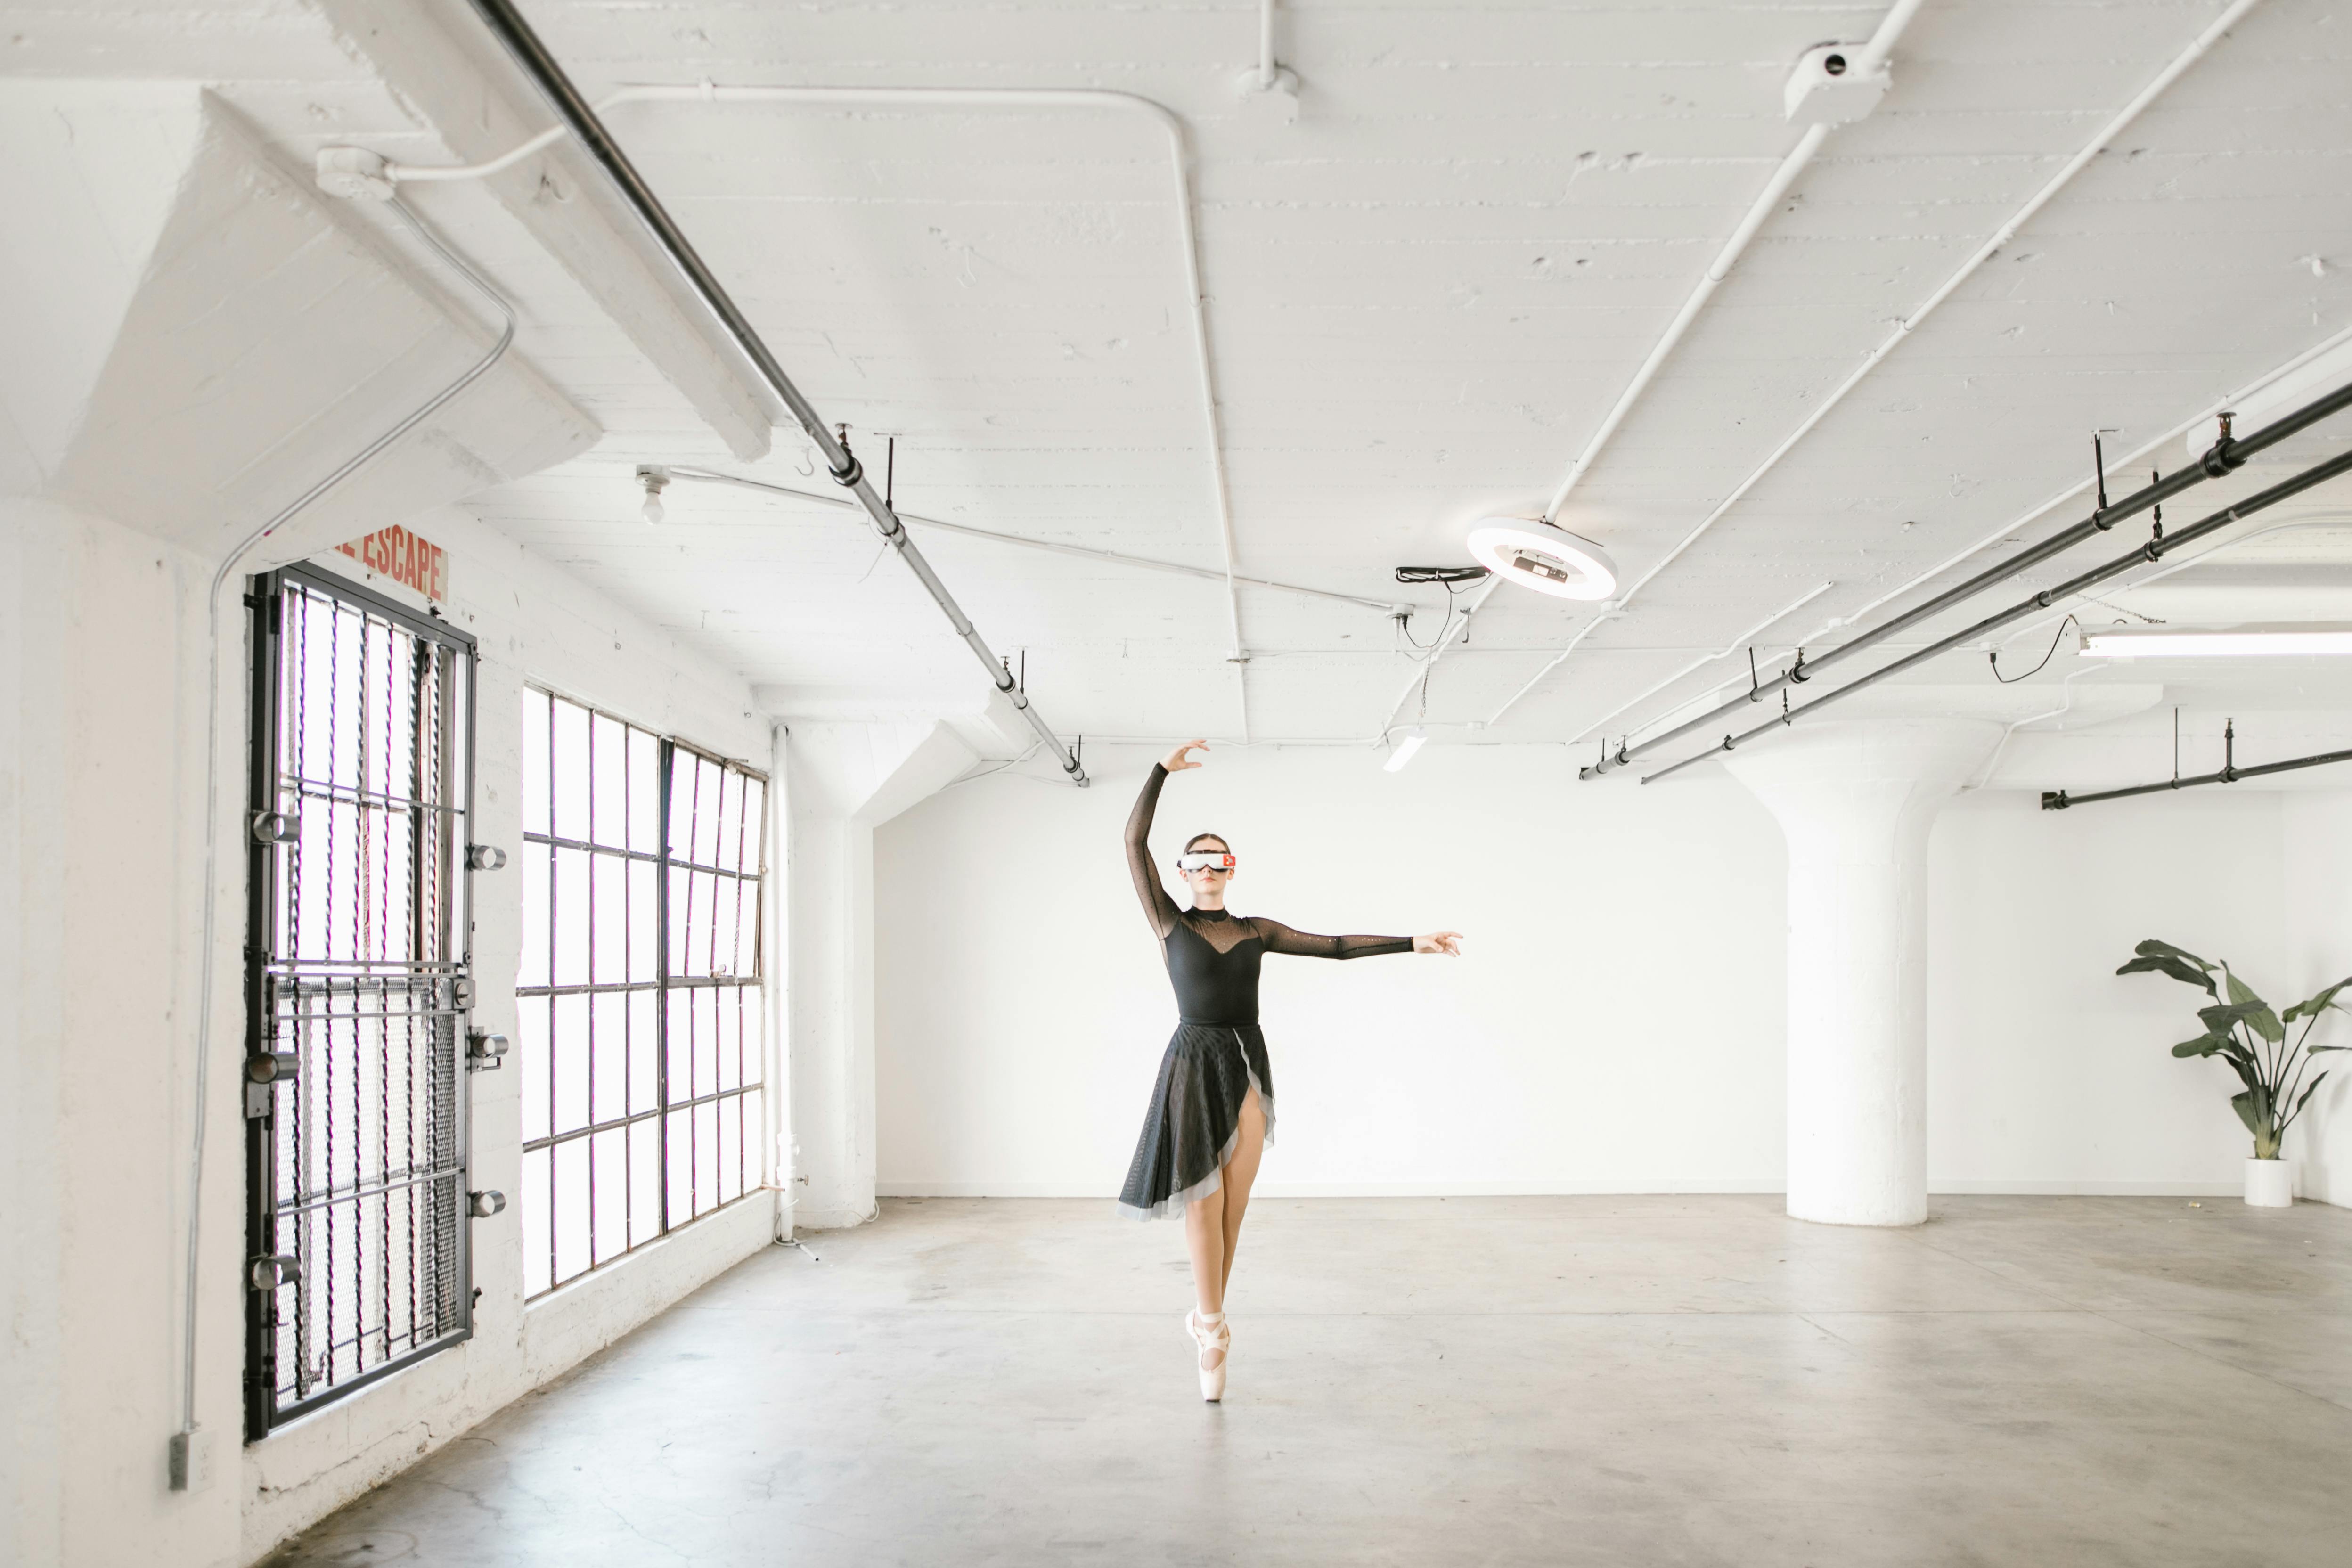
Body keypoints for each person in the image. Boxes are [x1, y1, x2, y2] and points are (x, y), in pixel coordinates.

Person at [1118, 740, 1463, 1401]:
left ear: (1232, 869)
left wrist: (1411, 942)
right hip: (1193, 1062)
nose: (1207, 868)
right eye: (1196, 861)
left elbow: (1334, 947)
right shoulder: (1168, 924)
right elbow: (1133, 843)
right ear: (1183, 874)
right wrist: (1160, 772)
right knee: (1202, 1198)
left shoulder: (1256, 930)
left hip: (1247, 1062)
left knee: (1234, 1205)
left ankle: (1209, 1317)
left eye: (1218, 860)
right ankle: (1212, 1328)